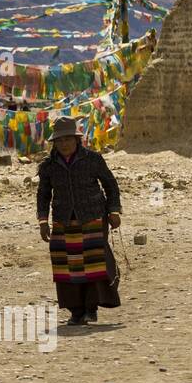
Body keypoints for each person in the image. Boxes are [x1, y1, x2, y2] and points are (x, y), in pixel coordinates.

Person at [36, 117, 122, 325]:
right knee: (67, 266)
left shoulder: (93, 159)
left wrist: (114, 210)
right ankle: (76, 311)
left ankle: (91, 309)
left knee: (94, 263)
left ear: (77, 140)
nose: (64, 144)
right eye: (60, 140)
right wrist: (42, 220)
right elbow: (43, 194)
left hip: (92, 216)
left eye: (68, 139)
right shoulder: (48, 166)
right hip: (63, 220)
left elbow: (110, 185)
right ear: (54, 143)